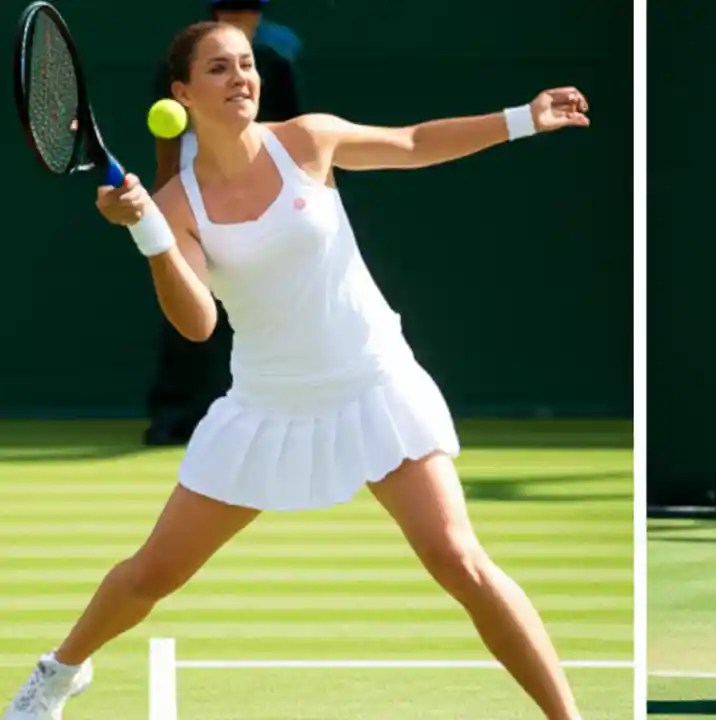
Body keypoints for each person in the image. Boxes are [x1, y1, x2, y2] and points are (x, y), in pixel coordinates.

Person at [3, 20, 591, 720]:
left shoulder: (306, 141)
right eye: (219, 69)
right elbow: (197, 324)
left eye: (246, 65)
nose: (241, 78)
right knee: (151, 575)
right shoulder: (175, 204)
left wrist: (524, 118)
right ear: (182, 92)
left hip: (375, 385)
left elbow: (413, 142)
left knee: (460, 562)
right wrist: (148, 232)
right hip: (266, 409)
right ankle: (59, 673)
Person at [144, 0, 302, 446]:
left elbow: (291, 131)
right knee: (189, 309)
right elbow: (167, 144)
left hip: (263, 198)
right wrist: (164, 199)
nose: (239, 22)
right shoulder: (182, 65)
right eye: (229, 13)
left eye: (247, 14)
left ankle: (281, 414)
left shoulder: (275, 61)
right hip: (197, 202)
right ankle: (174, 415)